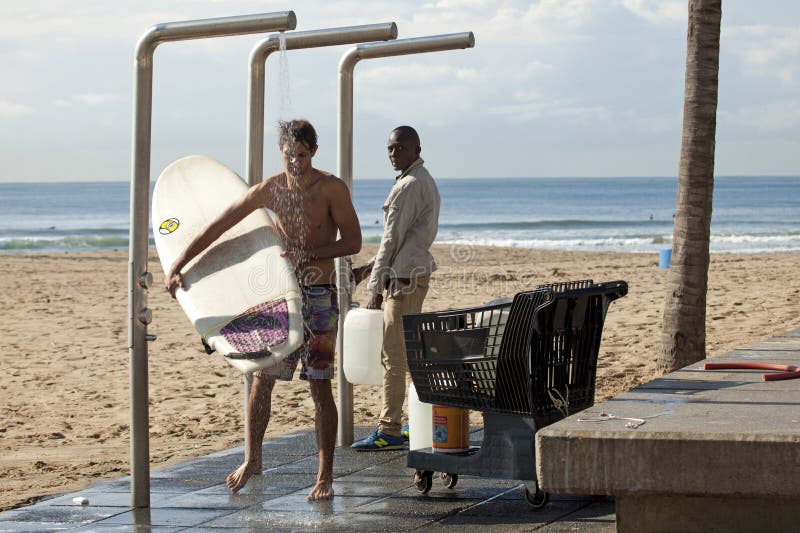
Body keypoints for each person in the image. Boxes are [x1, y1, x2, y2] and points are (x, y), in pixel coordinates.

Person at [165, 119, 361, 500]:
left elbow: (352, 241)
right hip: (281, 297)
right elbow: (218, 225)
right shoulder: (270, 189)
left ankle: (324, 476)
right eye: (289, 155)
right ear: (281, 151)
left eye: (302, 156)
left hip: (319, 294)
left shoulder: (331, 188)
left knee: (320, 386)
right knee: (262, 377)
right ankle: (253, 458)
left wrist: (311, 253)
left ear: (313, 152)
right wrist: (180, 265)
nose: (296, 163)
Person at [351, 125, 440, 451]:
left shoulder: (409, 186)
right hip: (412, 275)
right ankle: (417, 422)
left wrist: (374, 288)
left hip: (402, 282)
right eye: (389, 148)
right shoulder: (422, 180)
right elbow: (400, 242)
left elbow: (390, 240)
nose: (393, 154)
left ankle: (389, 429)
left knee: (394, 357)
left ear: (416, 149)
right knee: (410, 355)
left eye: (400, 148)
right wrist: (367, 270)